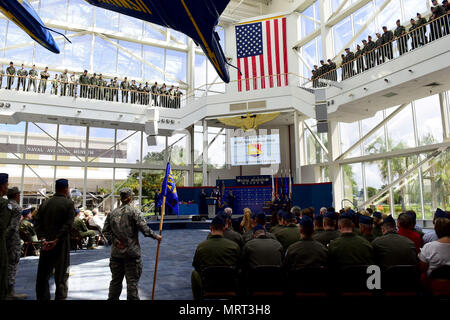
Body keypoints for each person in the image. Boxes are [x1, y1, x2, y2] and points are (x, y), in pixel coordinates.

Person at [102, 188, 162, 300]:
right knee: (132, 284)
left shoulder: (112, 213)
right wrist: (156, 236)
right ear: (130, 198)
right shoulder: (134, 212)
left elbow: (105, 231)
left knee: (115, 282)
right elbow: (145, 230)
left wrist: (115, 241)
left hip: (116, 255)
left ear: (121, 198)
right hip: (132, 254)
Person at [34, 179, 75, 300]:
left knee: (43, 275)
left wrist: (43, 238)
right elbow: (68, 225)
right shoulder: (68, 204)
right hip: (61, 244)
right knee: (61, 274)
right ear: (66, 189)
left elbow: (37, 221)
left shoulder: (45, 203)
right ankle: (60, 297)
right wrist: (56, 239)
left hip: (46, 244)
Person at [191, 216, 240, 300]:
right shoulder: (233, 246)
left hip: (209, 286)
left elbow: (196, 265)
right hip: (229, 285)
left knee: (194, 274)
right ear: (224, 228)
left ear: (210, 228)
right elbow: (240, 264)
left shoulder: (201, 246)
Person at [5, 187, 27, 299]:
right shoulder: (17, 208)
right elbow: (13, 228)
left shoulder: (5, 205)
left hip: (4, 240)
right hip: (12, 241)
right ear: (17, 195)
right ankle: (10, 292)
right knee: (12, 265)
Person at [0, 173, 12, 300]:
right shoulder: (4, 203)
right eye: (6, 185)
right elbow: (3, 225)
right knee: (3, 266)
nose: (7, 187)